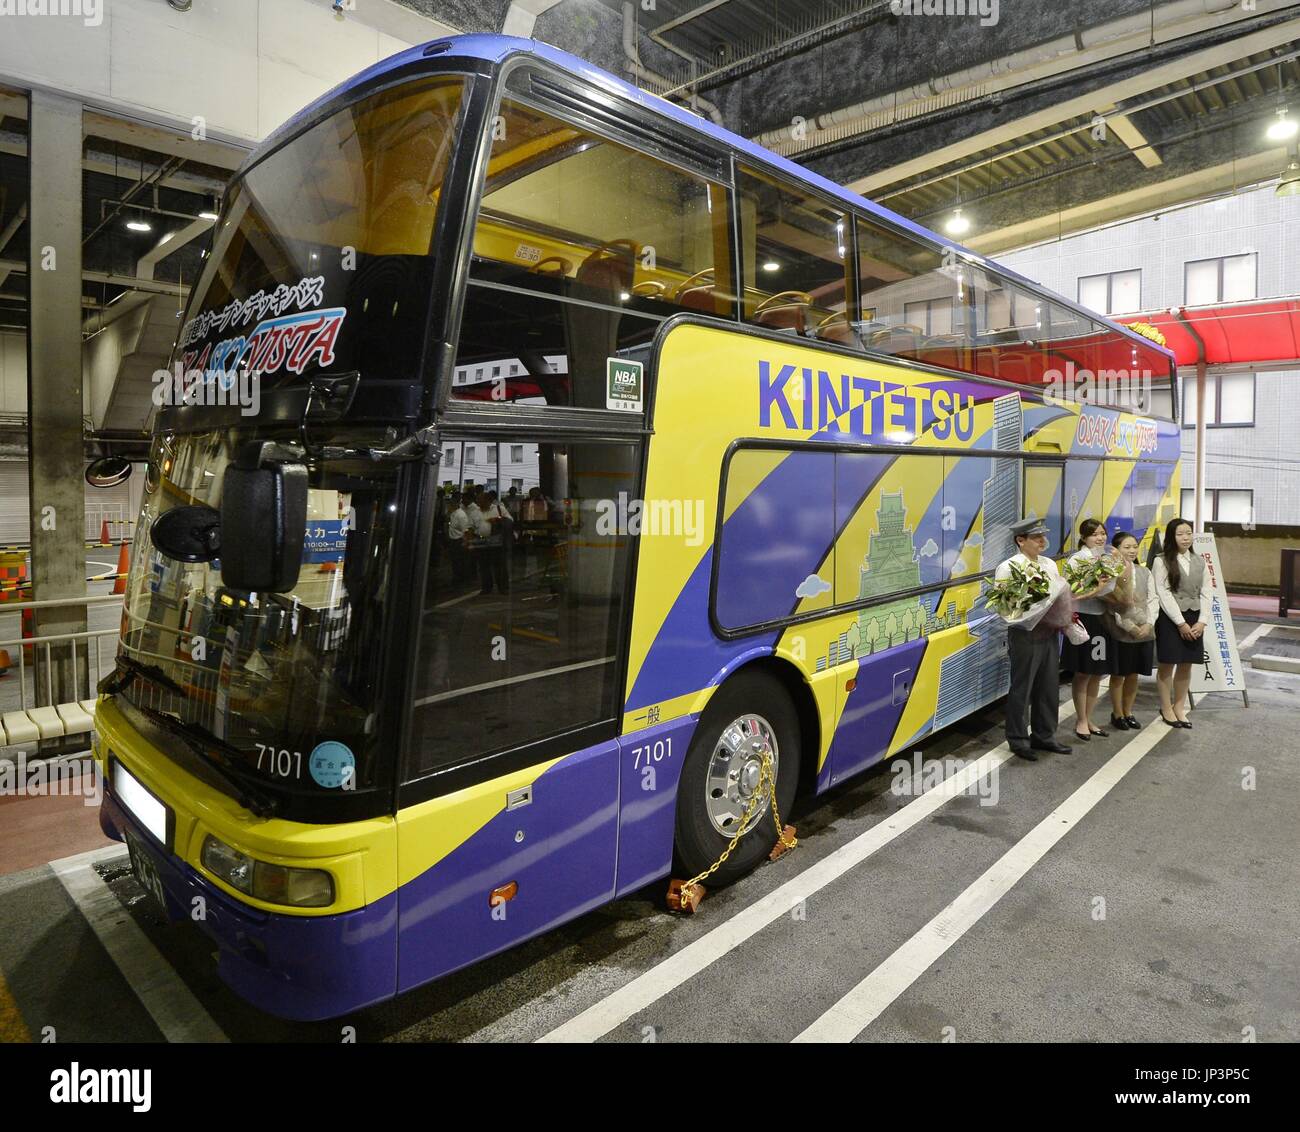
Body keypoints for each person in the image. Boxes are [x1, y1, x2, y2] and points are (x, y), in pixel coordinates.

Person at [997, 517, 1072, 761]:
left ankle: (1045, 735)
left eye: (1043, 536)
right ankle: (1018, 740)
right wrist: (1030, 610)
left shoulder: (1049, 564)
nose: (1043, 541)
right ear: (1021, 540)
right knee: (1023, 687)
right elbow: (1005, 606)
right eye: (1036, 537)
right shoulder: (1009, 567)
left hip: (1048, 631)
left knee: (1049, 686)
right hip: (1024, 633)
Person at [1152, 516, 1211, 728]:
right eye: (1180, 534)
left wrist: (1202, 621)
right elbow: (1163, 593)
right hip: (1171, 619)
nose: (1186, 538)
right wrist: (1180, 623)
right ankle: (1166, 708)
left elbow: (1206, 592)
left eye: (1188, 533)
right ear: (1171, 537)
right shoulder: (1161, 561)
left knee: (1186, 665)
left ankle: (1179, 707)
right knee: (1167, 664)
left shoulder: (1199, 561)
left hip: (1195, 618)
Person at [1062, 518, 1115, 742]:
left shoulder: (1107, 558)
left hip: (1101, 619)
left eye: (1102, 533)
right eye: (1094, 534)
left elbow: (1111, 587)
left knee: (1096, 672)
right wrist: (1098, 588)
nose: (1100, 537)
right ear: (1083, 538)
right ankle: (1081, 720)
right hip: (1082, 619)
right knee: (1083, 672)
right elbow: (1069, 591)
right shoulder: (1076, 560)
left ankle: (1089, 718)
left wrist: (1108, 587)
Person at [1105, 530, 1157, 729]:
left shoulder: (1145, 571)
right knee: (1119, 674)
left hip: (1145, 631)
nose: (1132, 550)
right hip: (1122, 631)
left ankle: (1129, 711)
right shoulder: (1112, 573)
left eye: (1134, 546)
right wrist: (1131, 627)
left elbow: (1153, 599)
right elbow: (1112, 606)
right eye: (1126, 547)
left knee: (1134, 674)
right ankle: (1117, 714)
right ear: (1116, 550)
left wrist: (1148, 624)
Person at [445, 492, 471, 583]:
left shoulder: (461, 515)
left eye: (450, 504)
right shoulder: (451, 514)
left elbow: (465, 530)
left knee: (460, 561)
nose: (448, 506)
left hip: (459, 541)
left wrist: (465, 542)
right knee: (455, 561)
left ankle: (461, 579)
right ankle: (457, 577)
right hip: (453, 540)